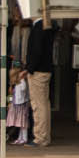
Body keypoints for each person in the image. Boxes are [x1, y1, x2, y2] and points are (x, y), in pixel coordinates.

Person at [21, 18, 55, 147]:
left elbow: (36, 51)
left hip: (38, 71)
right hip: (45, 69)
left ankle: (40, 137)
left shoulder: (38, 28)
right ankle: (44, 136)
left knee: (38, 105)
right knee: (44, 104)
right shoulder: (47, 26)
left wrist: (29, 69)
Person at [7, 68, 33, 144]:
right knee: (20, 124)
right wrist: (9, 102)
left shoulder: (22, 83)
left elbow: (24, 89)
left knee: (23, 123)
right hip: (16, 106)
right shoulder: (14, 86)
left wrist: (21, 79)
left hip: (22, 106)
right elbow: (11, 95)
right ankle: (20, 138)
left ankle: (24, 138)